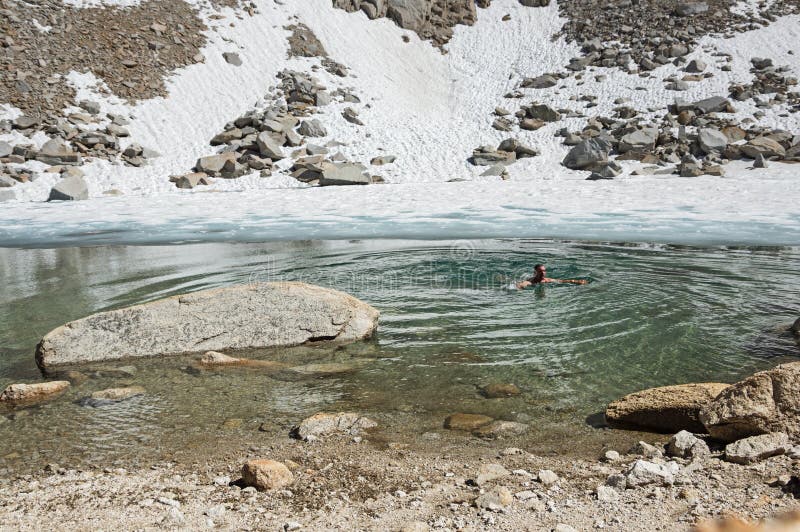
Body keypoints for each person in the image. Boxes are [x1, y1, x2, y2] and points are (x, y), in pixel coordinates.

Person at [516, 264, 587, 289]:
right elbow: (521, 284)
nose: (543, 273)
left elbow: (561, 281)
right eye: (540, 271)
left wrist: (576, 281)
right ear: (535, 272)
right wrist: (519, 288)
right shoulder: (531, 282)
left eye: (544, 271)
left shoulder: (547, 280)